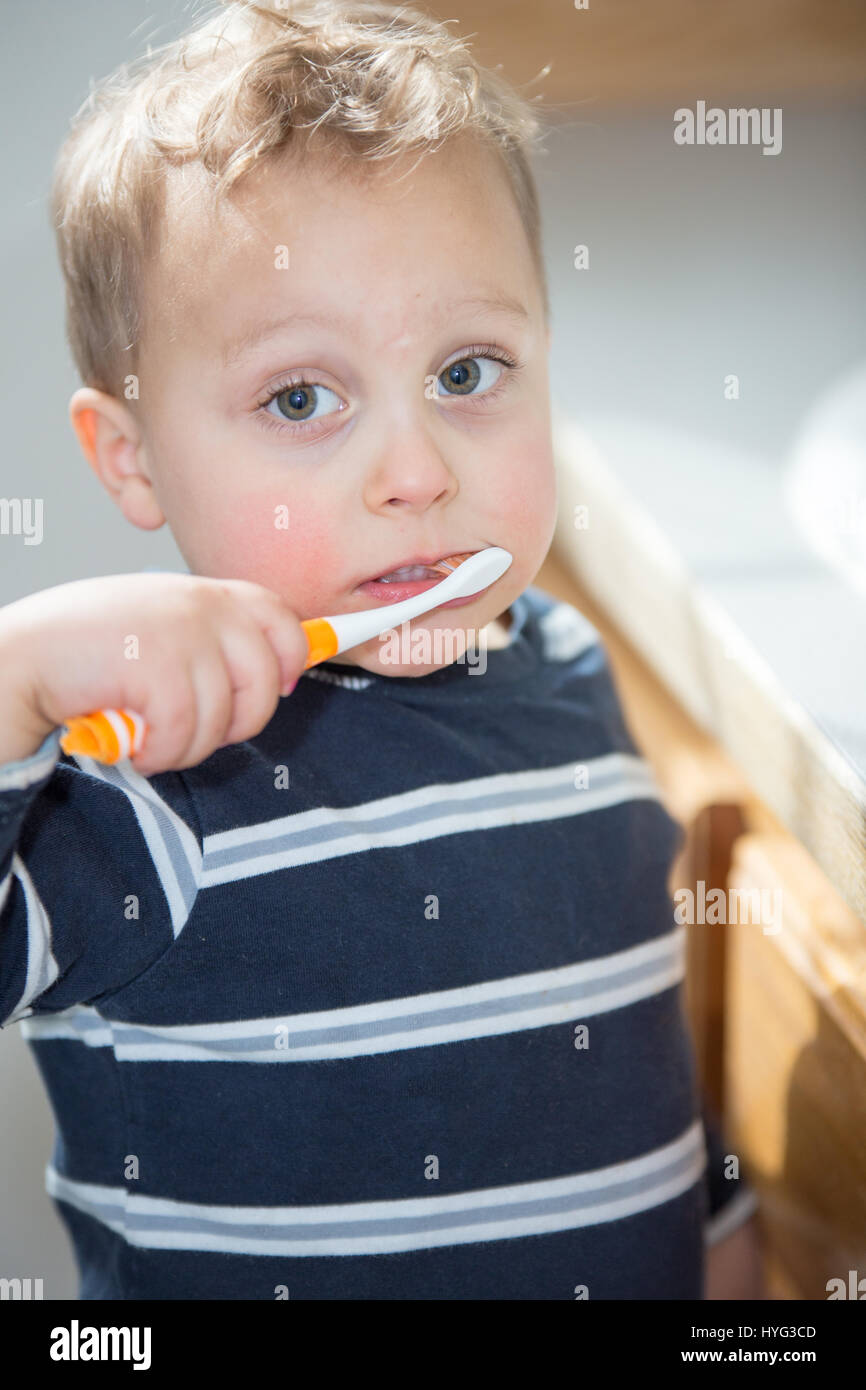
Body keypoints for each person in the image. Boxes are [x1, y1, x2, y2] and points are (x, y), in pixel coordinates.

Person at [0, 0, 763, 1298]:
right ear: (131, 457)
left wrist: (716, 1229)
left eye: (468, 371)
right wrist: (15, 673)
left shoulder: (571, 675)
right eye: (301, 399)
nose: (416, 471)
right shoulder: (139, 783)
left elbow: (613, 1057)